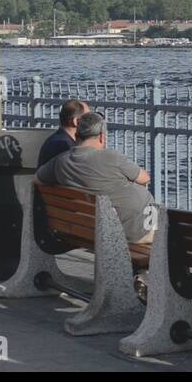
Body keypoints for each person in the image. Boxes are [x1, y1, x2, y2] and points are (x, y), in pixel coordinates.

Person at [36, 112, 155, 269]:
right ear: (101, 137)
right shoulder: (113, 157)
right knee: (169, 238)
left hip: (86, 230)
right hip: (130, 231)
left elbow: (37, 180)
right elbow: (144, 178)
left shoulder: (61, 160)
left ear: (77, 135)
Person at [39, 99, 89, 167]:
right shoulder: (64, 146)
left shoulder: (56, 139)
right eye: (88, 118)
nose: (90, 122)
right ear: (76, 121)